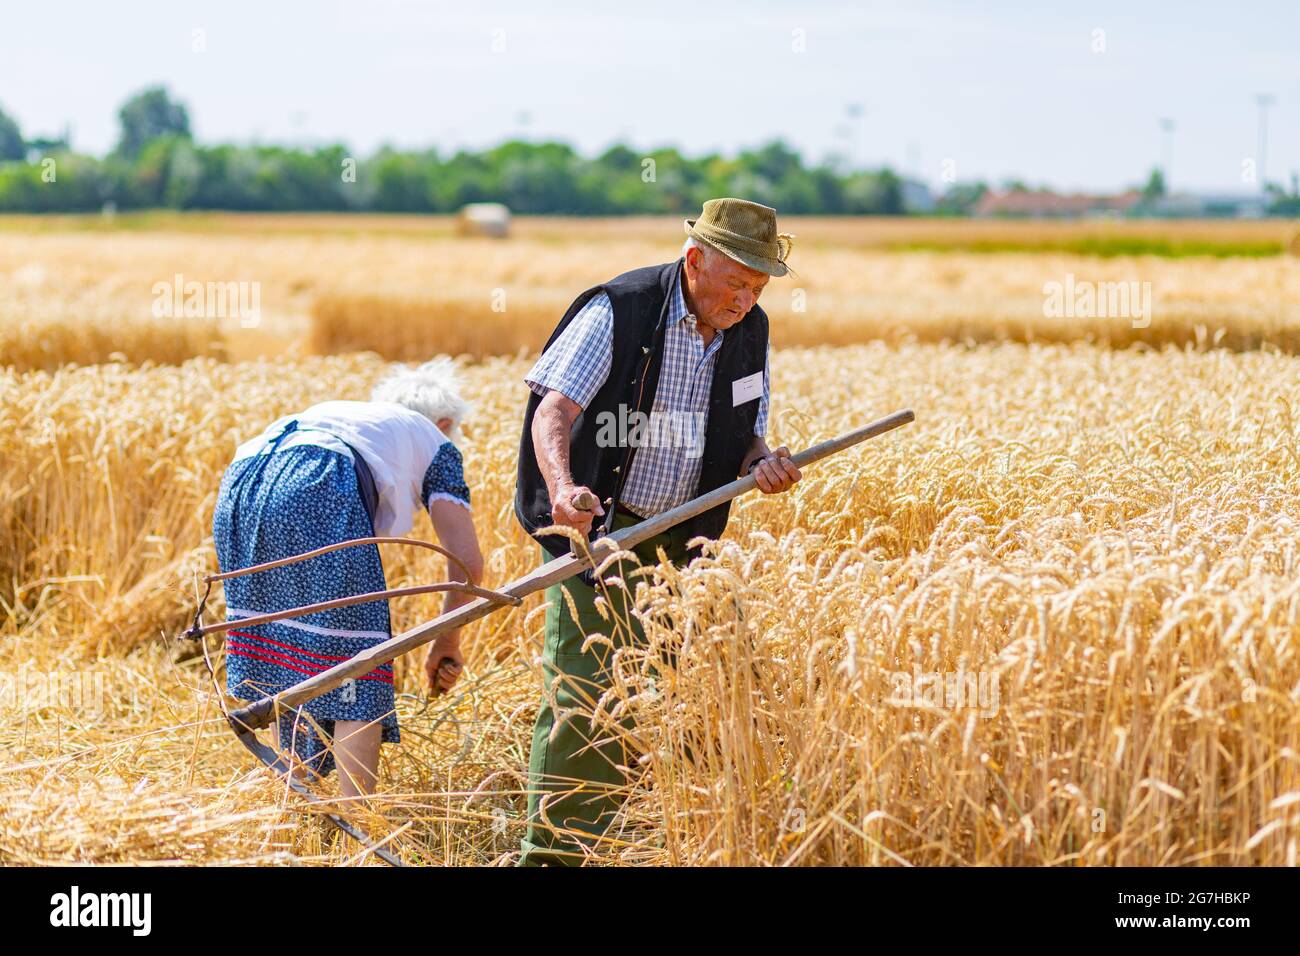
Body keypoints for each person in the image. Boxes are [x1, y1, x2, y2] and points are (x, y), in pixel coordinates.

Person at [514, 198, 803, 864]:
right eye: (737, 280)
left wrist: (763, 464)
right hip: (604, 536)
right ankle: (554, 855)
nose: (747, 298)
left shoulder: (749, 330)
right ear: (695, 259)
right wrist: (562, 491)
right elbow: (553, 409)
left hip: (686, 542)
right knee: (585, 702)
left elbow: (745, 432)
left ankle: (644, 839)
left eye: (758, 286)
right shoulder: (622, 308)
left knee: (681, 695)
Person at [213, 357, 484, 799]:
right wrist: (447, 642)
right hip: (318, 485)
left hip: (241, 485)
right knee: (358, 661)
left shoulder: (357, 421)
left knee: (287, 653)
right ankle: (357, 816)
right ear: (445, 421)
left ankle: (295, 807)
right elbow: (467, 563)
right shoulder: (435, 440)